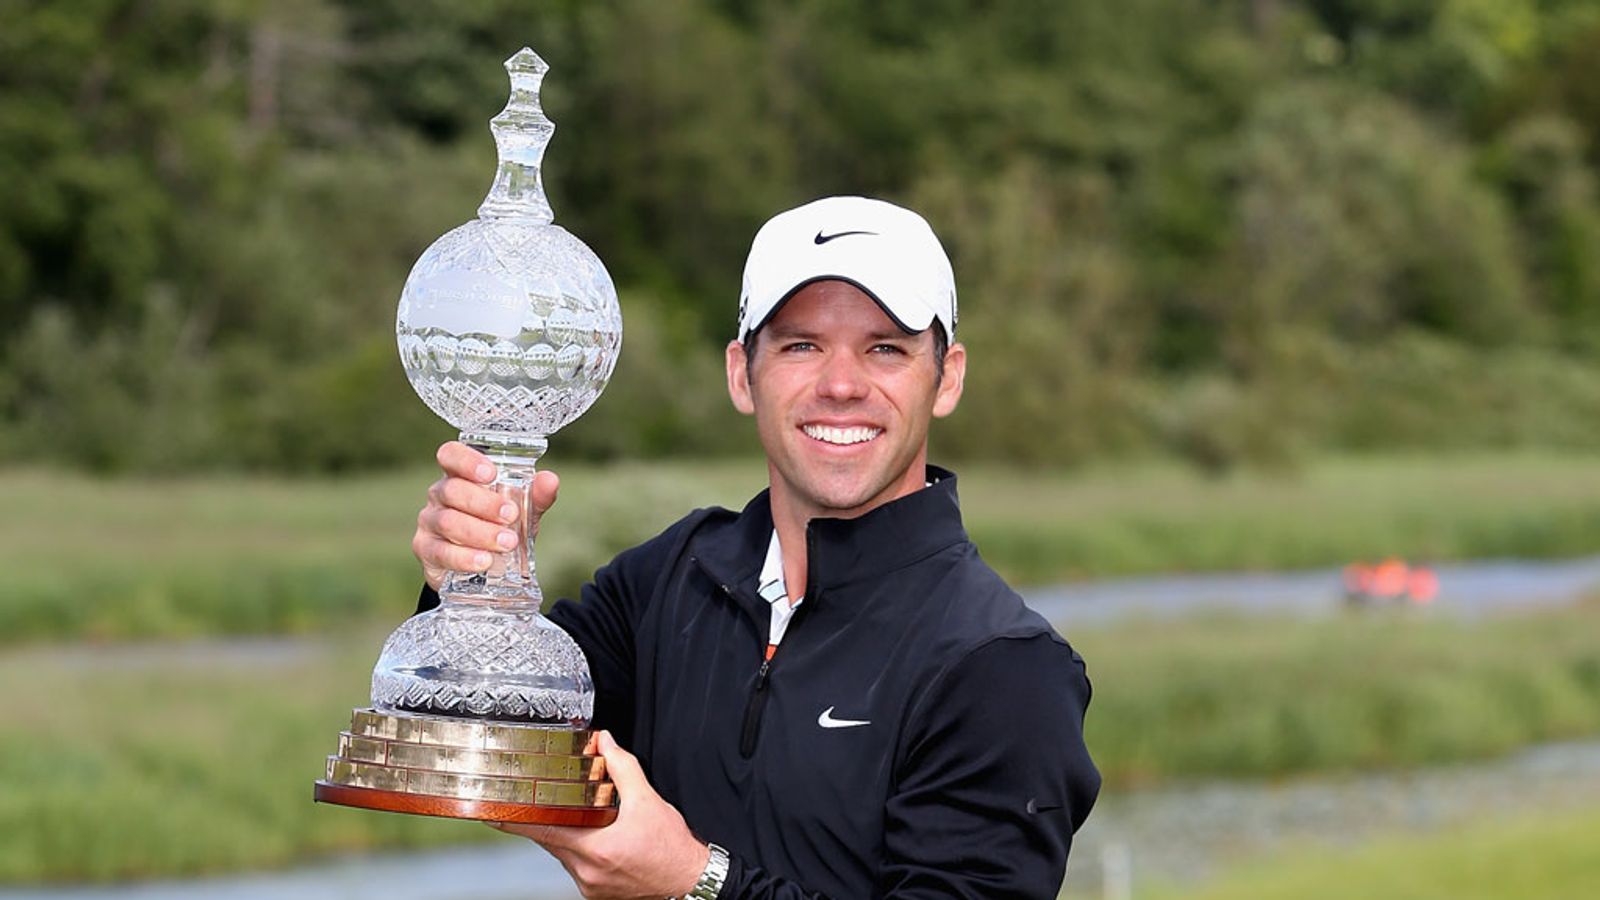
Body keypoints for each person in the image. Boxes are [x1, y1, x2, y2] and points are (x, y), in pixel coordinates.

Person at [411, 196, 1100, 898]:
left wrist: (695, 881)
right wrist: (471, 590)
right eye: (802, 344)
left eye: (885, 348)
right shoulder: (673, 579)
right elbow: (474, 741)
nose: (840, 385)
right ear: (742, 373)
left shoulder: (1001, 668)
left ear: (946, 377)